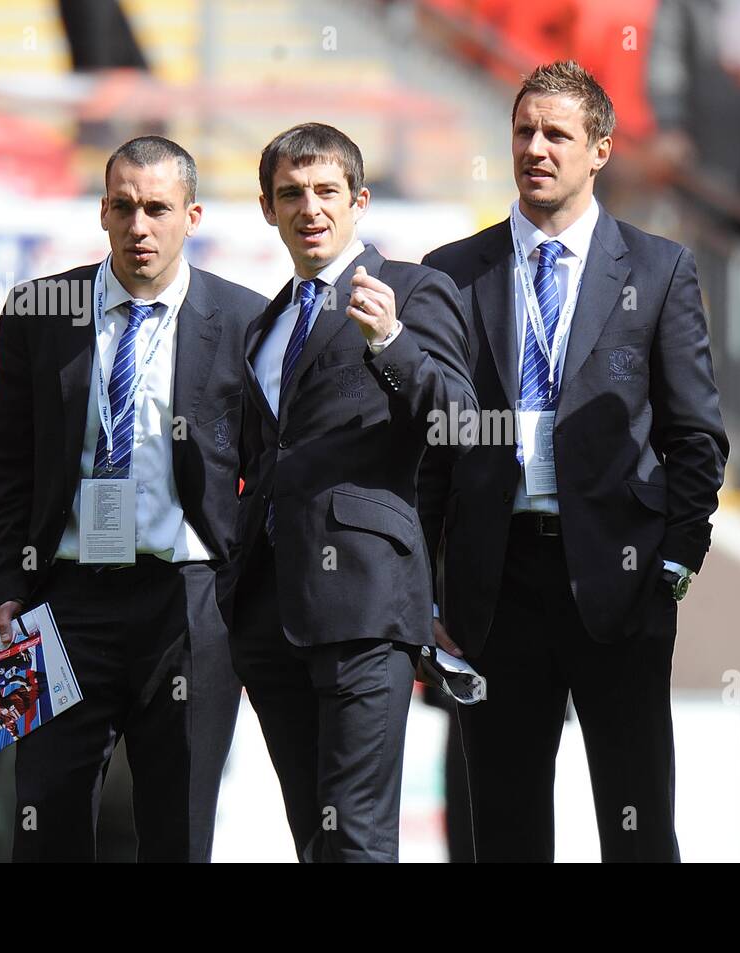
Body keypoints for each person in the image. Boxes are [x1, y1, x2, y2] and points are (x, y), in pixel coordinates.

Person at [420, 61, 728, 862]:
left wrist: (672, 568)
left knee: (637, 822)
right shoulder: (452, 272)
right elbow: (427, 450)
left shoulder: (659, 270)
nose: (536, 147)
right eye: (524, 131)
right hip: (494, 589)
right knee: (504, 828)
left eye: (557, 134)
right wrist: (426, 588)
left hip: (620, 586)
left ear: (600, 149)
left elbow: (696, 436)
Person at [0, 135, 268, 862]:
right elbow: (7, 461)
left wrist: (241, 594)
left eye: (158, 209)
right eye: (124, 207)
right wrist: (7, 586)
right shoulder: (39, 311)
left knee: (178, 827)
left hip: (190, 603)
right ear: (102, 213)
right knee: (44, 819)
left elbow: (268, 475)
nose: (141, 226)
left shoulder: (245, 321)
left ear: (192, 215)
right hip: (64, 602)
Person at [225, 122, 476, 863]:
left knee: (360, 835)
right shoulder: (265, 322)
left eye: (327, 191)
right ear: (268, 208)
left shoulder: (414, 289)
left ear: (359, 200)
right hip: (270, 614)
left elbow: (462, 422)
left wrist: (392, 342)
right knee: (316, 836)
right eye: (291, 194)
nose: (311, 208)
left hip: (366, 604)